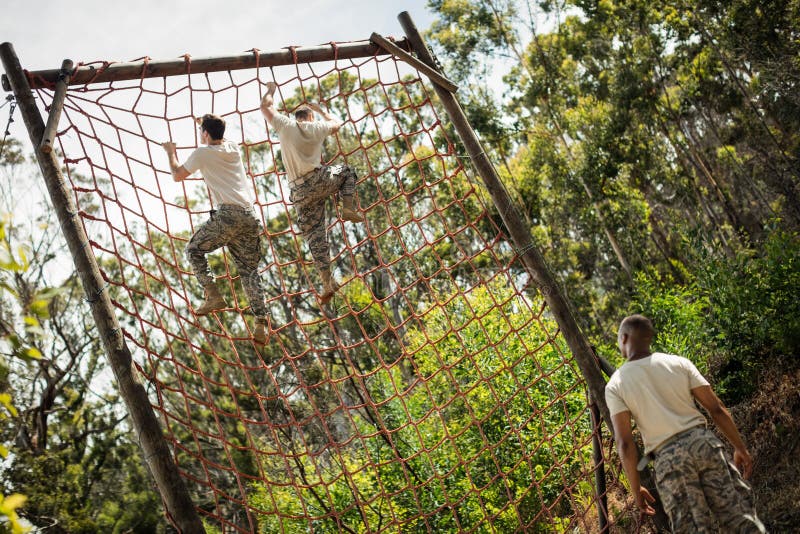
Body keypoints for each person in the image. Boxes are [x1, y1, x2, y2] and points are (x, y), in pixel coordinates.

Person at [605, 314, 766, 533]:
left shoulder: (616, 384)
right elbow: (716, 408)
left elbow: (625, 443)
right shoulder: (678, 363)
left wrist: (636, 489)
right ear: (649, 337)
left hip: (669, 459)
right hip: (703, 443)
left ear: (623, 338)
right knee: (740, 517)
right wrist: (740, 447)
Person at [162, 114, 269, 344]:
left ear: (206, 134)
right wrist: (205, 124)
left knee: (193, 249)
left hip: (228, 214)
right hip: (250, 216)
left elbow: (177, 175)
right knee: (249, 270)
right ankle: (261, 322)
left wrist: (170, 151)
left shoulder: (203, 153)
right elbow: (219, 136)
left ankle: (213, 294)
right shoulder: (233, 148)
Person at [259, 81, 364, 303]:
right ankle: (347, 207)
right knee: (346, 171)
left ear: (295, 117)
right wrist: (322, 111)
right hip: (319, 179)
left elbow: (266, 107)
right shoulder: (316, 128)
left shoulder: (285, 126)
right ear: (310, 118)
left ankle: (327, 281)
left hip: (299, 192)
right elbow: (337, 123)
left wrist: (270, 90)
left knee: (316, 237)